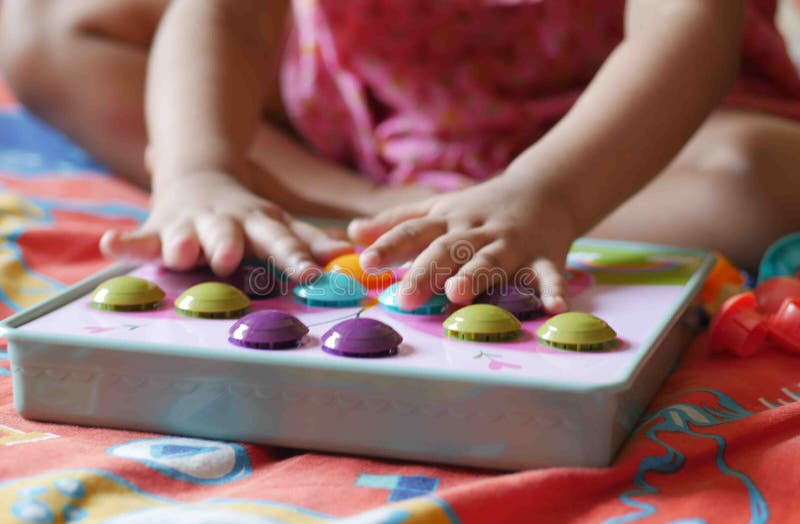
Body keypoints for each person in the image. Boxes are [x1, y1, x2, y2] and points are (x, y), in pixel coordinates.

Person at [3, 0, 800, 313]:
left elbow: (687, 28)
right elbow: (228, 19)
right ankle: (376, 211)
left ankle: (486, 211)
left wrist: (552, 193)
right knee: (41, 28)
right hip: (372, 111)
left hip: (612, 130)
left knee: (756, 182)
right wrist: (197, 170)